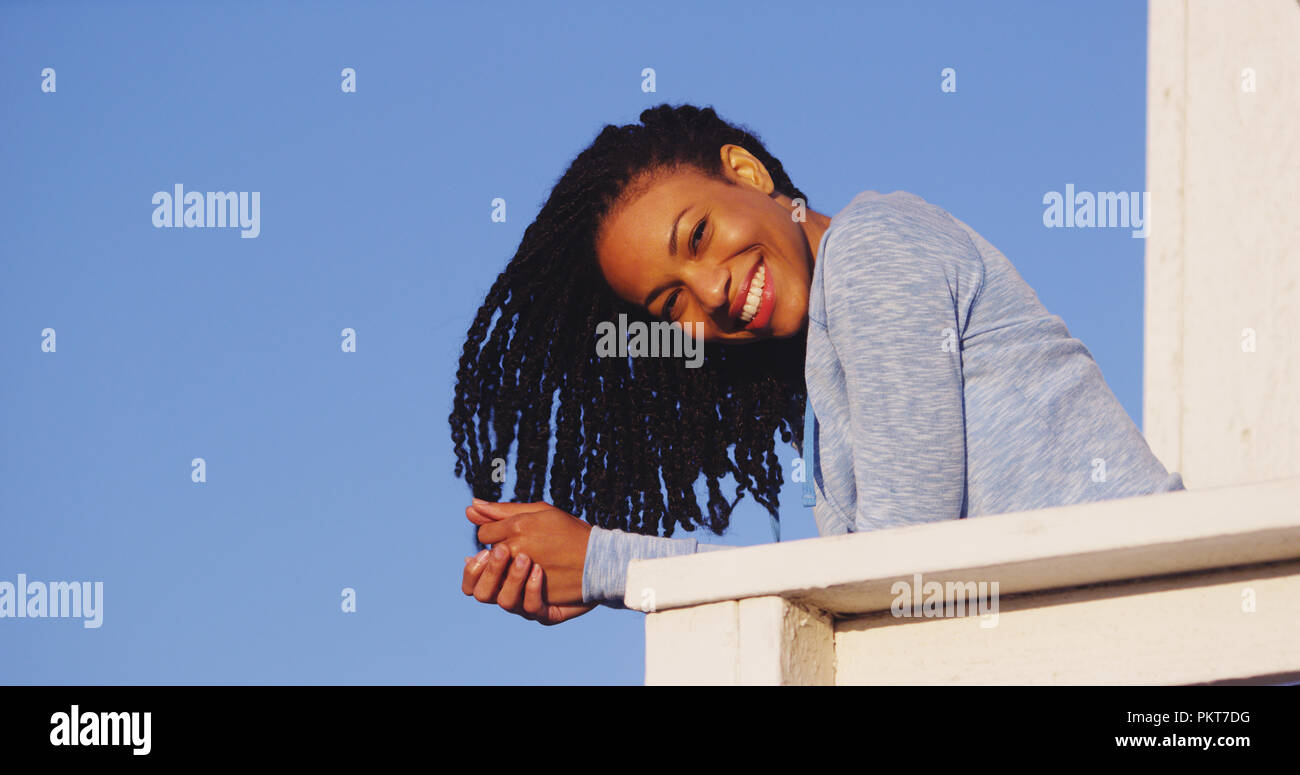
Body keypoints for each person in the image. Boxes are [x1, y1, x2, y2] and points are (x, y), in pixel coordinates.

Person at [450, 103, 1184, 625]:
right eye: (671, 303)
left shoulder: (871, 252)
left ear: (747, 171)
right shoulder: (829, 395)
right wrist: (604, 571)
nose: (712, 291)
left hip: (1170, 635)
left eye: (699, 233)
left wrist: (611, 562)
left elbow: (897, 575)